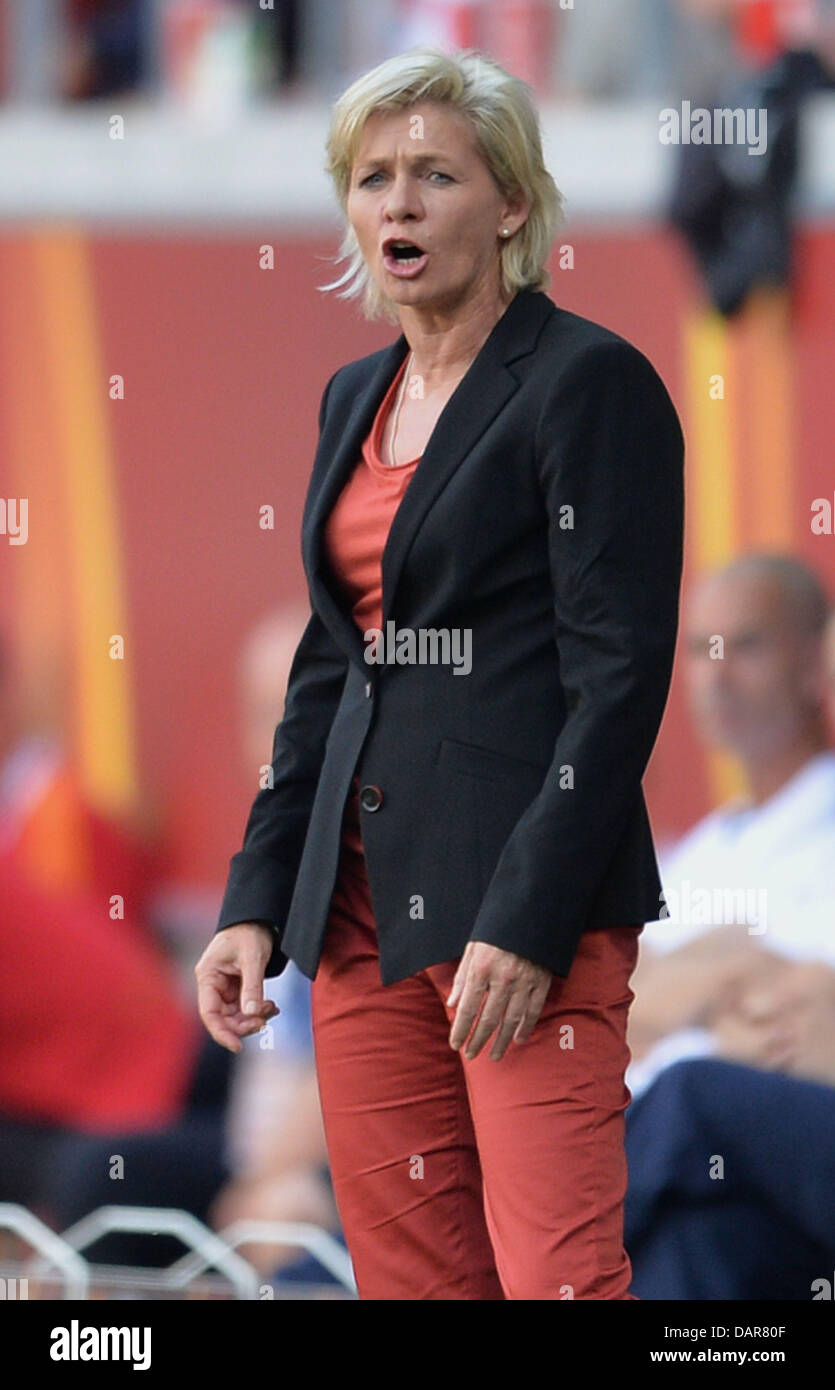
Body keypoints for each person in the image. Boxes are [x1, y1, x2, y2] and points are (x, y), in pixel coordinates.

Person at [195, 45, 684, 1301]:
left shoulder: (587, 382)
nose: (397, 204)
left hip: (522, 910)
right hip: (358, 916)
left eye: (433, 175)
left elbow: (617, 679)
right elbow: (327, 672)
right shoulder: (351, 396)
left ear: (511, 203)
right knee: (412, 1281)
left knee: (553, 1277)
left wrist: (527, 920)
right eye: (371, 179)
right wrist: (256, 893)